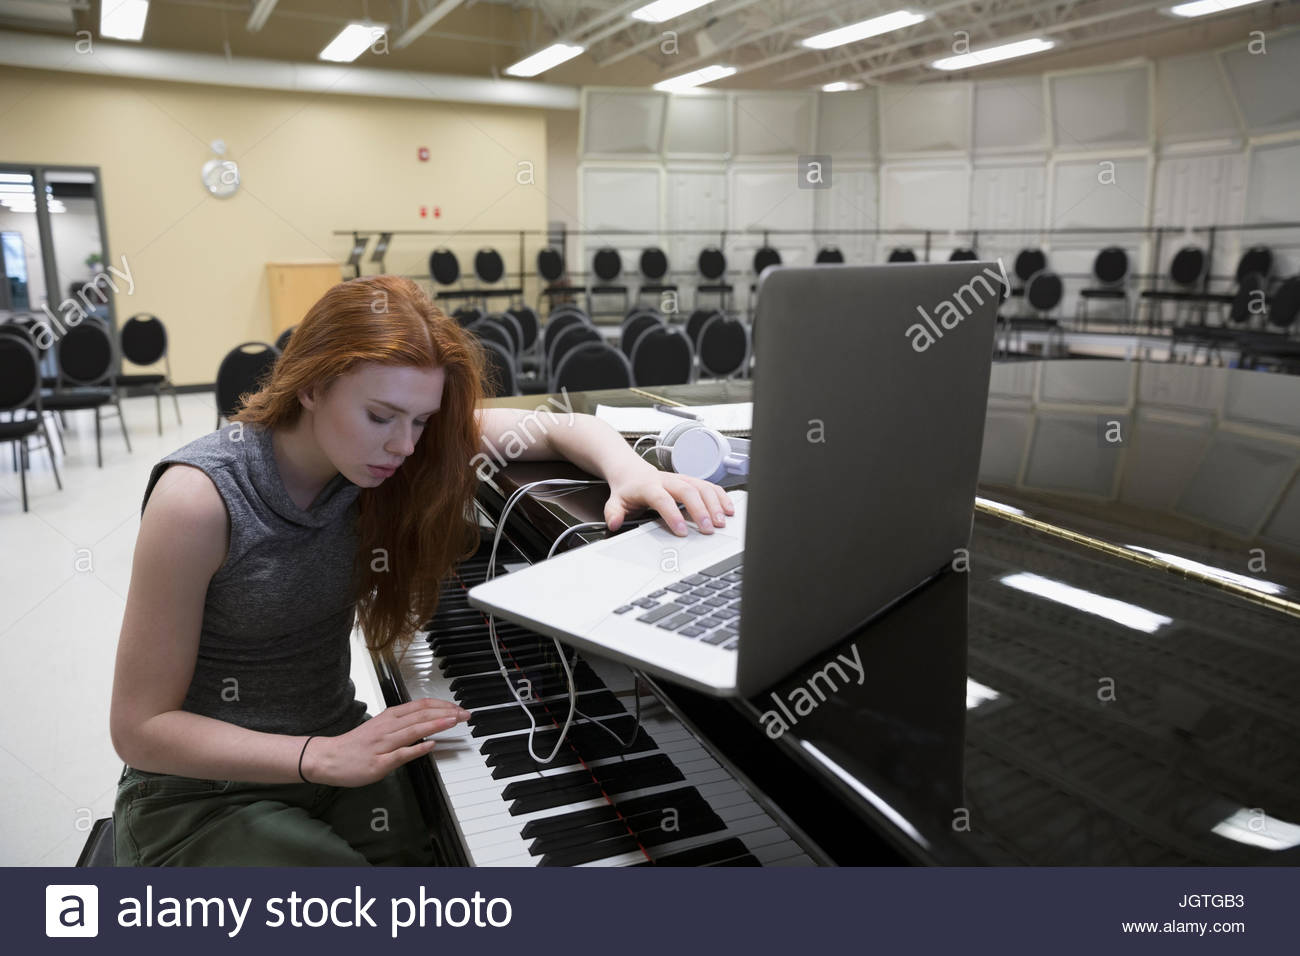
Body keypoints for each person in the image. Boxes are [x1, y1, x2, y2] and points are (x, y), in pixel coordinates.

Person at [108, 275, 734, 866]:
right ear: (311, 385)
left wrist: (631, 471)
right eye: (381, 417)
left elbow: (559, 426)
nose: (405, 447)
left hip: (332, 754)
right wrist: (320, 757)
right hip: (201, 793)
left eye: (422, 421)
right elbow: (141, 729)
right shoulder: (198, 500)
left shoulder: (387, 452)